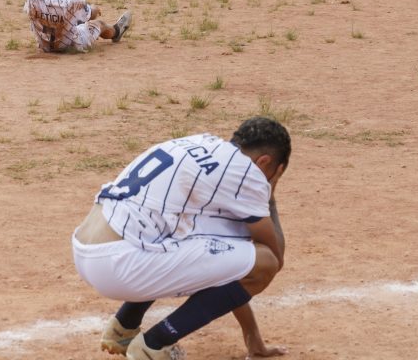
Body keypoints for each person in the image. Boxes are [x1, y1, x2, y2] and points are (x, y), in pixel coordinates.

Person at [72, 116, 290, 360]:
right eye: (275, 173)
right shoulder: (247, 173)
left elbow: (228, 268)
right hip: (120, 263)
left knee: (194, 241)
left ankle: (124, 327)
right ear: (264, 161)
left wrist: (253, 339)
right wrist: (270, 193)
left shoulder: (202, 145)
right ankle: (154, 345)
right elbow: (273, 258)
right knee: (265, 262)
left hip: (87, 248)